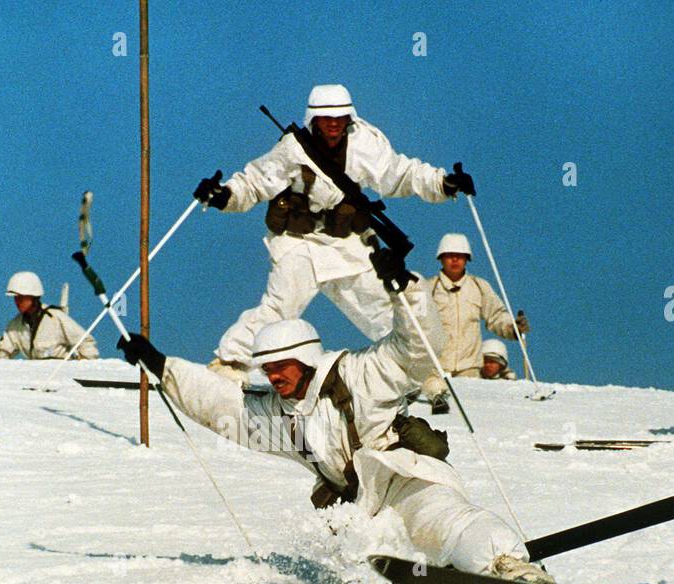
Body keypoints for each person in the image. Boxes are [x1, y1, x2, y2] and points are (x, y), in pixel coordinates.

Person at [115, 268, 553, 584]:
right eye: (267, 370)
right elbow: (218, 404)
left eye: (280, 367)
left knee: (446, 522)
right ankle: (427, 569)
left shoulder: (359, 375)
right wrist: (160, 365)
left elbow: (416, 350)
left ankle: (511, 566)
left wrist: (406, 293)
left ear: (305, 358)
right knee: (362, 550)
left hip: (405, 481)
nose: (273, 377)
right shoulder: (277, 413)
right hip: (357, 509)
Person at [193, 83, 475, 384]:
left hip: (346, 244)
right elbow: (256, 181)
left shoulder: (365, 143)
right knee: (280, 305)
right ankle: (230, 363)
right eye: (326, 117)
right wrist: (224, 196)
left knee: (381, 306)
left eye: (340, 117)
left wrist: (443, 183)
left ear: (349, 118)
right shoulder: (293, 148)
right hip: (299, 242)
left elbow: (400, 173)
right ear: (312, 118)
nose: (333, 123)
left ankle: (417, 370)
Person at [420, 233, 528, 412]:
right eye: (449, 255)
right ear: (441, 258)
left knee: (472, 412)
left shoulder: (479, 286)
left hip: (469, 368)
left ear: (467, 259)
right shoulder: (428, 288)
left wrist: (512, 328)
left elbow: (496, 315)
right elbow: (414, 322)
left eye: (460, 255)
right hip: (436, 367)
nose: (455, 259)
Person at [0, 271, 98, 360]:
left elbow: (86, 342)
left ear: (33, 296)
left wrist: (84, 367)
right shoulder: (15, 326)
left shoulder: (55, 318)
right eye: (15, 298)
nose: (17, 302)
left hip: (63, 382)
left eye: (21, 298)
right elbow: (0, 355)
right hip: (36, 383)